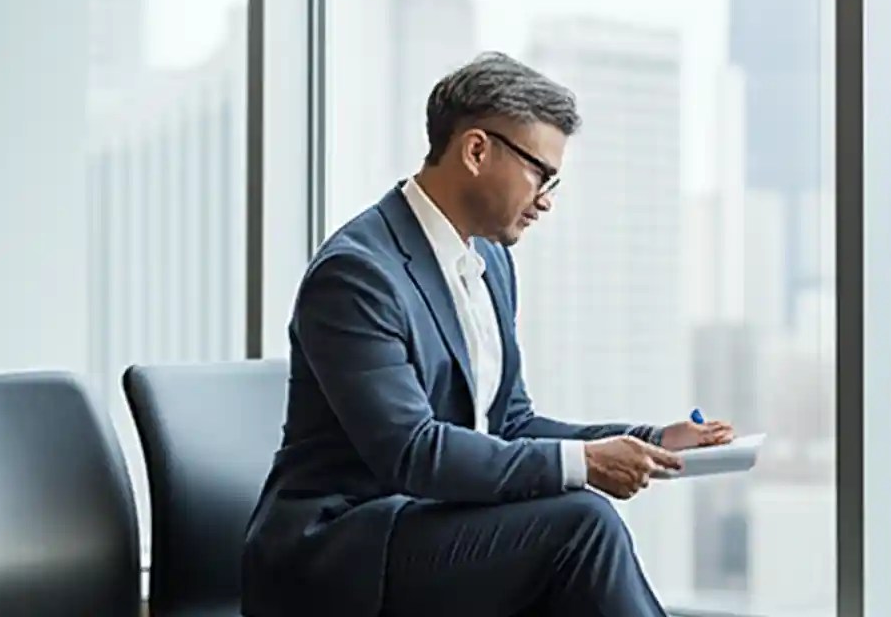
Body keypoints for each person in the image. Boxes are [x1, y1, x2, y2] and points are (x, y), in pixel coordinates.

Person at [242, 51, 734, 616]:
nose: (546, 199)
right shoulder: (357, 273)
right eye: (541, 174)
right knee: (580, 524)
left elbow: (512, 424)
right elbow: (413, 451)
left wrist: (650, 440)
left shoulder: (490, 264)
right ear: (476, 150)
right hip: (343, 550)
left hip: (432, 525)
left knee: (573, 526)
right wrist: (585, 464)